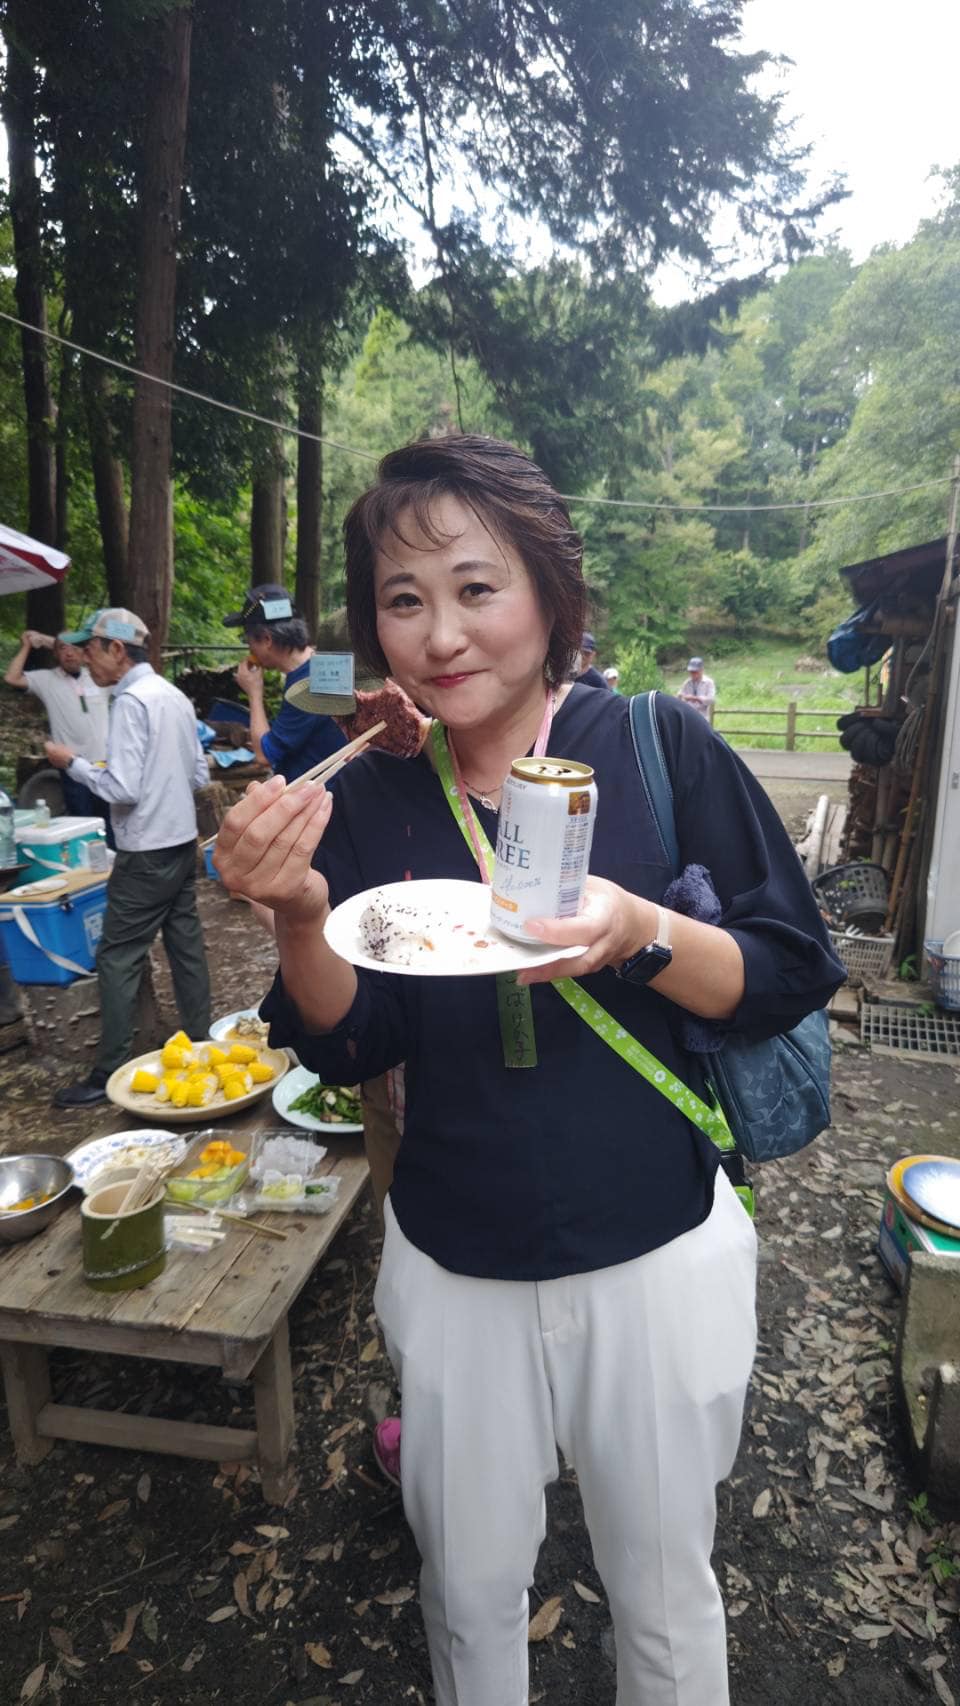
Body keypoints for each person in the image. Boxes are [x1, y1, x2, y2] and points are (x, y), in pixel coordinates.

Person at [214, 435, 843, 1706]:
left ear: (552, 595)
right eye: (403, 599)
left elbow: (787, 965)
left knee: (666, 1593)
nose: (440, 634)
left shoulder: (657, 744)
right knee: (468, 1591)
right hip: (455, 1262)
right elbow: (355, 1042)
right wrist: (293, 912)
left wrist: (640, 931)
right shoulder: (382, 791)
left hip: (659, 1246)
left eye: (475, 586)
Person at [44, 609, 211, 1109]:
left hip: (145, 849)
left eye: (91, 649)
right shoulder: (173, 697)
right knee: (186, 944)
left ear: (118, 651)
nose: (84, 659)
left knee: (117, 954)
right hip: (183, 841)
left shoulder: (131, 701)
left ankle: (110, 1068)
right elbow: (199, 775)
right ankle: (200, 1038)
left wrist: (71, 764)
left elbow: (122, 787)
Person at [224, 584, 347, 783]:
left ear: (266, 639)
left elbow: (264, 755)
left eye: (249, 642)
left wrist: (254, 693)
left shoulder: (310, 684)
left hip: (322, 803)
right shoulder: (322, 666)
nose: (250, 650)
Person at [4, 628, 109, 820]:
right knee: (81, 820)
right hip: (70, 764)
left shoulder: (98, 676)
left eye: (74, 648)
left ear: (85, 652)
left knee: (109, 822)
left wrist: (46, 639)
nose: (69, 653)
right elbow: (12, 677)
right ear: (55, 653)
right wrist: (27, 646)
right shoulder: (46, 679)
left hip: (104, 764)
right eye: (62, 648)